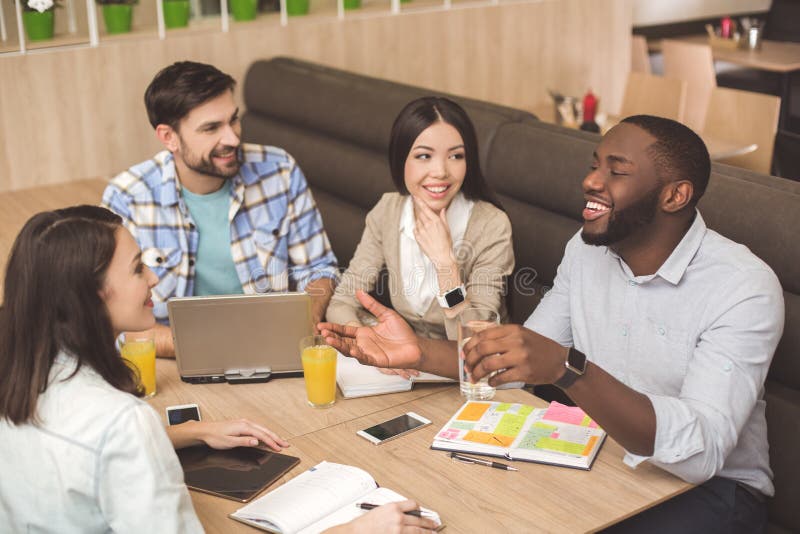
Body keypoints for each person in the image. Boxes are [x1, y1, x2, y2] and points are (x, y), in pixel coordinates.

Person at [320, 115, 784, 533]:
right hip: (601, 453)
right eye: (594, 165)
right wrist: (419, 352)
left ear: (674, 195)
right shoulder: (585, 251)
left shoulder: (742, 286)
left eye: (616, 171)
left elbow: (701, 451)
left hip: (710, 492)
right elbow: (517, 358)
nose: (590, 181)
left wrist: (568, 370)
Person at [0, 206, 437, 533]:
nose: (153, 278)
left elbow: (85, 454)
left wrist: (187, 433)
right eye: (137, 269)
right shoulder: (121, 423)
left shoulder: (18, 376)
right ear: (92, 296)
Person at [102, 61, 338, 357]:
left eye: (233, 120)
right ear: (169, 137)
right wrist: (218, 346)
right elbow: (113, 320)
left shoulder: (280, 171)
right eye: (211, 128)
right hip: (175, 358)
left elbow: (319, 270)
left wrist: (304, 321)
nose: (233, 138)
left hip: (272, 347)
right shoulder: (127, 198)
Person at [326, 96, 514, 376]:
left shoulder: (491, 225)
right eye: (424, 156)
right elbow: (342, 301)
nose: (440, 172)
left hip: (478, 378)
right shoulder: (388, 211)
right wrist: (372, 344)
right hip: (412, 372)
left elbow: (477, 342)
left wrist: (446, 265)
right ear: (401, 159)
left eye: (456, 156)